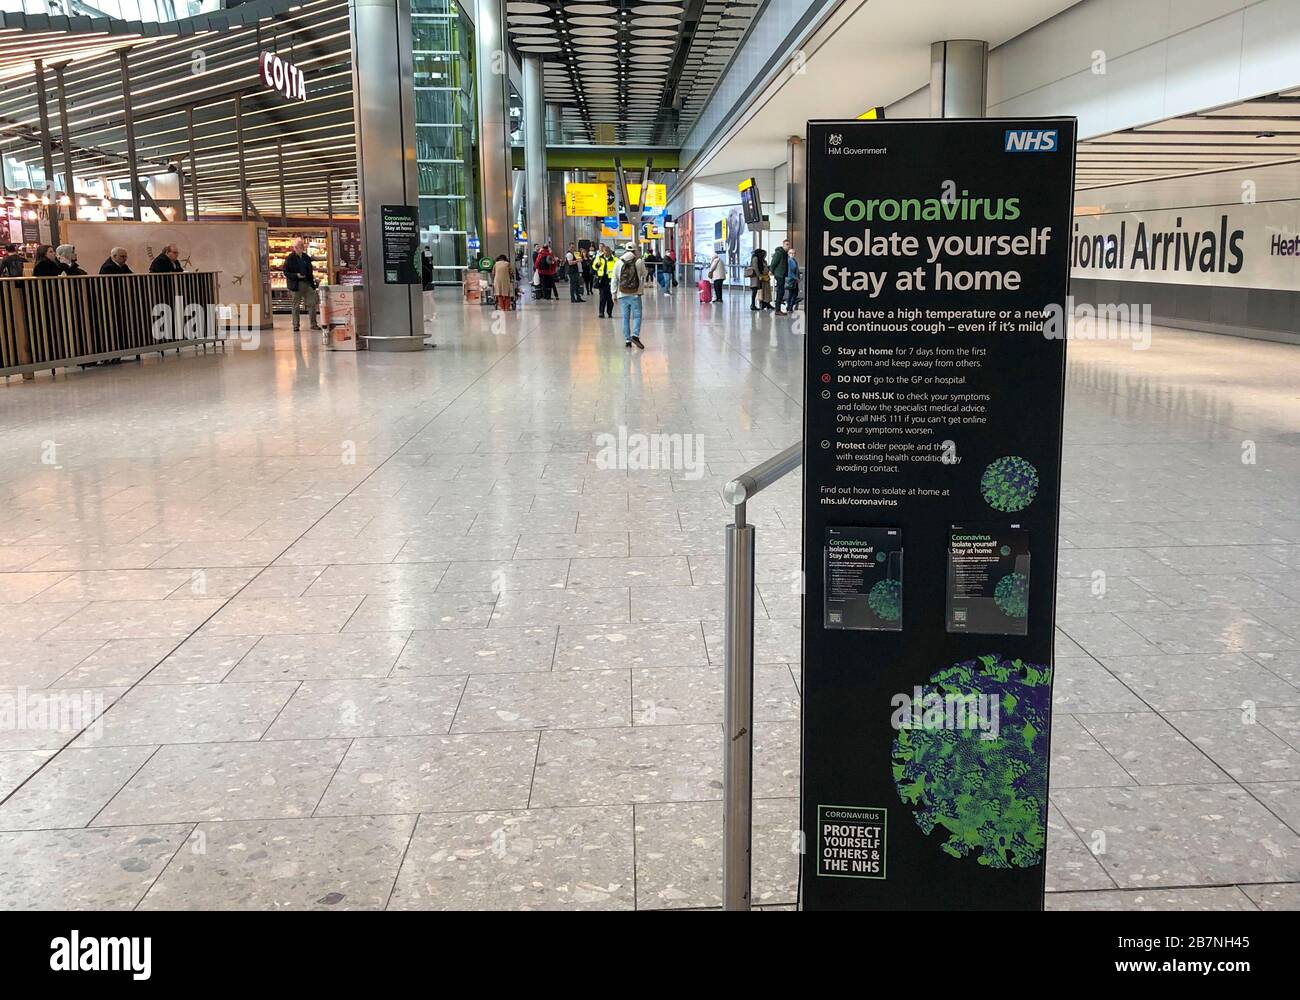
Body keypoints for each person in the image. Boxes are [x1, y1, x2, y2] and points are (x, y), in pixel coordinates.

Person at [283, 236, 323, 332]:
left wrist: (313, 283)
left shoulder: (306, 257)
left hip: (307, 283)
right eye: (300, 246)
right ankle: (296, 325)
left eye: (302, 245)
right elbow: (286, 272)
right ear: (295, 247)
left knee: (312, 303)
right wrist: (296, 275)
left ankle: (313, 324)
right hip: (296, 285)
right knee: (296, 305)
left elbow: (310, 271)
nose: (302, 247)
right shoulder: (290, 258)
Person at [612, 242, 647, 350]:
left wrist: (614, 293)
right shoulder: (639, 261)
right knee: (637, 316)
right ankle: (635, 335)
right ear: (635, 250)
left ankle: (627, 340)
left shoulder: (618, 262)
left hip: (622, 294)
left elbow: (614, 279)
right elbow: (644, 274)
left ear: (625, 250)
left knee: (625, 318)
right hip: (635, 294)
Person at [594, 243, 616, 319]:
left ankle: (609, 312)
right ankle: (601, 312)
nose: (606, 252)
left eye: (607, 251)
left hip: (611, 280)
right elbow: (594, 266)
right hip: (602, 280)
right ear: (603, 251)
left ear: (610, 251)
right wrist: (597, 265)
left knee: (610, 298)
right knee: (602, 297)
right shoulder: (599, 258)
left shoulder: (614, 259)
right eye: (605, 251)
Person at [770, 239, 790, 314]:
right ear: (783, 244)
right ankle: (777, 310)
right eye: (786, 244)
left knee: (781, 291)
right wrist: (771, 271)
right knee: (780, 291)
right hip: (779, 274)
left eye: (789, 244)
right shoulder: (779, 253)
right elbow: (773, 262)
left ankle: (778, 309)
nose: (788, 246)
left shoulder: (785, 253)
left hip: (782, 274)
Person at [783, 248, 801, 313]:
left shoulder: (794, 260)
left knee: (793, 294)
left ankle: (789, 307)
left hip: (794, 280)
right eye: (791, 253)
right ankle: (789, 307)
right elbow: (790, 272)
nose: (792, 254)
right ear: (788, 254)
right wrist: (797, 278)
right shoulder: (789, 261)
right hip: (791, 279)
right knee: (792, 294)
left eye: (793, 253)